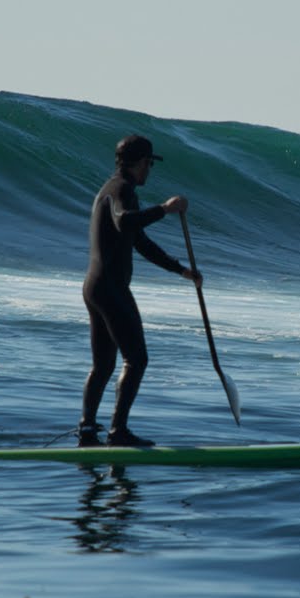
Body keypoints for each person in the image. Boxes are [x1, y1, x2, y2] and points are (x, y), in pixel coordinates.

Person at [79, 134, 200, 448]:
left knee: (104, 364)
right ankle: (117, 432)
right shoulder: (121, 190)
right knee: (137, 359)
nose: (150, 170)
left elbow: (140, 242)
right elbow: (124, 222)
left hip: (95, 287)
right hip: (110, 288)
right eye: (149, 163)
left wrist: (181, 270)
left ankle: (87, 430)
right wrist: (164, 209)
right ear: (138, 162)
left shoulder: (109, 188)